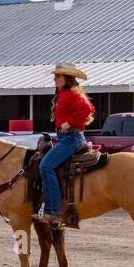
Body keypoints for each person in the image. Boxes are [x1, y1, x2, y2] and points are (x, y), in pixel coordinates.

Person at [36, 63, 95, 228]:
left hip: (71, 138)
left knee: (45, 166)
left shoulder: (70, 94)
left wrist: (69, 123)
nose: (54, 79)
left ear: (66, 78)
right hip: (65, 138)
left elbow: (88, 108)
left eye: (57, 76)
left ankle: (53, 211)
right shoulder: (63, 93)